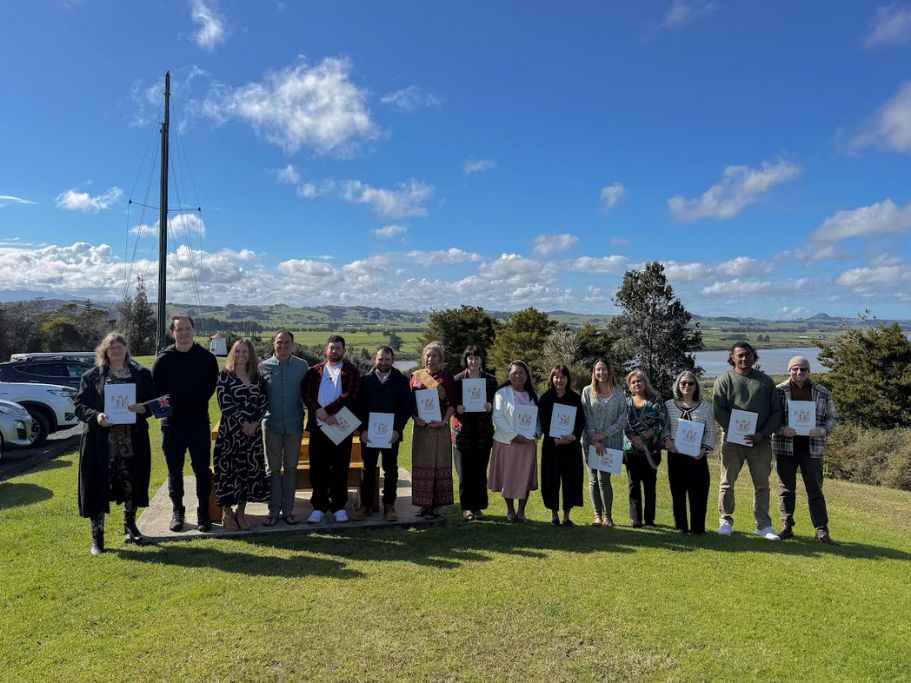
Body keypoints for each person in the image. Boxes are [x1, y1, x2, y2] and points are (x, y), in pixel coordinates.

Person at [76, 332, 156, 555]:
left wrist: (144, 408)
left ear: (126, 349)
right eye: (112, 347)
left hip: (133, 440)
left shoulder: (141, 374)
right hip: (101, 443)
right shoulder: (91, 377)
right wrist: (96, 416)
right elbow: (79, 405)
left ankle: (130, 525)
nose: (117, 350)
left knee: (133, 482)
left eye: (120, 345)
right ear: (104, 351)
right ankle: (97, 536)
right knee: (97, 485)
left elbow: (155, 402)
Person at [152, 315, 219, 532]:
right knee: (175, 471)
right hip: (172, 425)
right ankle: (177, 511)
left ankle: (203, 512)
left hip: (199, 423)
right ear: (173, 333)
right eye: (179, 329)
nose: (183, 333)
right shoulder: (163, 360)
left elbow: (211, 386)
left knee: (201, 470)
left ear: (193, 331)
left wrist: (194, 401)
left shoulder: (207, 358)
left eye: (187, 328)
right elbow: (156, 391)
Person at [713, 341, 783, 540]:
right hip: (732, 442)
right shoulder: (724, 380)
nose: (744, 358)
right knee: (727, 483)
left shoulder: (765, 382)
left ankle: (763, 525)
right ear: (733, 357)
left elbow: (776, 411)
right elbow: (719, 410)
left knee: (762, 485)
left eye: (748, 355)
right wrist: (735, 431)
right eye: (740, 355)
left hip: (760, 442)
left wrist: (763, 434)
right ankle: (725, 520)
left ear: (754, 356)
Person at [772, 356, 838, 543]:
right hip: (785, 447)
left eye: (803, 369)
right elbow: (769, 418)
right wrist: (781, 429)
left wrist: (822, 430)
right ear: (789, 370)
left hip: (813, 448)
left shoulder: (822, 392)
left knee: (815, 490)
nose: (799, 373)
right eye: (795, 369)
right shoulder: (778, 391)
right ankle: (786, 526)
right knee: (786, 490)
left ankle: (821, 531)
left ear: (809, 371)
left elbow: (833, 418)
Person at [302, 335, 361, 523]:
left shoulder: (351, 371)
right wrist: (318, 412)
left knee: (340, 468)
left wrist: (328, 411)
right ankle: (319, 506)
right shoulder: (314, 371)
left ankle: (338, 506)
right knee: (317, 469)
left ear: (343, 351)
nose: (334, 351)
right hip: (318, 427)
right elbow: (307, 394)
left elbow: (350, 395)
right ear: (325, 350)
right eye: (331, 347)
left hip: (340, 426)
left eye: (338, 348)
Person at [214, 340, 270, 531]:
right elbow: (225, 403)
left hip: (252, 435)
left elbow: (263, 402)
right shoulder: (224, 376)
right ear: (232, 353)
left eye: (245, 351)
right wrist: (243, 423)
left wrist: (254, 423)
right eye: (237, 351)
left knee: (248, 473)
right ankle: (227, 512)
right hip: (230, 434)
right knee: (228, 473)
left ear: (250, 354)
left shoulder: (257, 377)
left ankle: (241, 512)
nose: (241, 355)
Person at [354, 345, 412, 522]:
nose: (384, 362)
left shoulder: (401, 380)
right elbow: (357, 407)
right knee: (368, 469)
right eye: (381, 359)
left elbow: (406, 407)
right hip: (369, 434)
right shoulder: (364, 380)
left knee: (391, 470)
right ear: (374, 360)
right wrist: (362, 430)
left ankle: (389, 505)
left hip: (391, 434)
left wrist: (398, 429)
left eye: (387, 359)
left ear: (393, 360)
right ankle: (366, 505)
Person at [260, 329, 309, 526]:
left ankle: (288, 511)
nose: (283, 346)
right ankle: (273, 511)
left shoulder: (302, 366)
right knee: (272, 469)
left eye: (287, 342)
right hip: (271, 424)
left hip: (294, 425)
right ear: (274, 344)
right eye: (279, 342)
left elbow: (309, 393)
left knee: (290, 468)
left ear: (293, 345)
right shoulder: (263, 367)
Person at [663, 371, 716, 534]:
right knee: (678, 492)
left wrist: (703, 449)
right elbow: (663, 427)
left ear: (696, 386)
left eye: (690, 383)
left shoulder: (706, 407)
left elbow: (711, 431)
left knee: (699, 492)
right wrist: (668, 441)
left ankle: (698, 527)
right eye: (683, 383)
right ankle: (680, 526)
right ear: (678, 386)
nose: (686, 386)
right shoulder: (669, 405)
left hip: (697, 456)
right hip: (675, 455)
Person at [409, 342, 457, 519]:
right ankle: (423, 505)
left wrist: (444, 421)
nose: (430, 359)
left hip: (440, 428)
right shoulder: (415, 376)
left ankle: (436, 506)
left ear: (441, 358)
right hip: (421, 428)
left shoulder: (447, 377)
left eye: (434, 356)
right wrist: (415, 418)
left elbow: (452, 404)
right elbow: (410, 404)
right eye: (427, 356)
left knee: (438, 465)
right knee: (421, 465)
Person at [489, 360, 540, 522]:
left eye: (521, 373)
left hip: (527, 445)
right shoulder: (501, 393)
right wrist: (514, 435)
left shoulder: (533, 396)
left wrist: (538, 432)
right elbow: (497, 416)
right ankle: (510, 510)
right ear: (509, 375)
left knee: (524, 478)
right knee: (508, 478)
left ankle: (521, 511)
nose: (517, 376)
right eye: (514, 373)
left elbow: (538, 419)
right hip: (507, 442)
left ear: (526, 376)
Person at [452, 346, 498, 521]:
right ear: (466, 360)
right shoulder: (457, 380)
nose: (473, 361)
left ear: (481, 360)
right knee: (464, 473)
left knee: (479, 472)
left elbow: (498, 405)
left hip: (483, 432)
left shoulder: (491, 381)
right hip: (462, 433)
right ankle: (466, 508)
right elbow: (451, 404)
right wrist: (457, 409)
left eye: (477, 358)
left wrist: (490, 406)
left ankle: (478, 507)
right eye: (470, 358)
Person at [581, 358, 627, 527]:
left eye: (604, 369)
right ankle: (597, 516)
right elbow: (586, 416)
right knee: (593, 478)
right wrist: (595, 438)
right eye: (598, 370)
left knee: (604, 480)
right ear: (594, 372)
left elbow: (623, 418)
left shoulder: (619, 393)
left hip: (611, 443)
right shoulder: (587, 391)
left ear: (609, 371)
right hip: (590, 442)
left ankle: (608, 516)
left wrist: (605, 435)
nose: (601, 373)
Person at [538, 364, 585, 526]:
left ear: (567, 379)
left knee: (570, 480)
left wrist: (573, 436)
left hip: (571, 447)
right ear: (552, 378)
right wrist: (555, 439)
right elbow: (543, 423)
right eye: (556, 377)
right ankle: (554, 514)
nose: (559, 380)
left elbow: (580, 421)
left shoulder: (575, 398)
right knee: (551, 480)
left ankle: (566, 515)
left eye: (563, 377)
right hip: (552, 447)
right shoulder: (545, 398)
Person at [623, 370, 667, 528]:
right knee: (633, 485)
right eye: (633, 382)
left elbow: (661, 423)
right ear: (629, 385)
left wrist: (643, 438)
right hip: (630, 450)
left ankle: (649, 520)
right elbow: (623, 423)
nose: (636, 384)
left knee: (650, 485)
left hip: (651, 450)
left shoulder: (656, 401)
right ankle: (636, 519)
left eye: (639, 381)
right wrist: (633, 439)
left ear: (645, 383)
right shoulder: (626, 402)